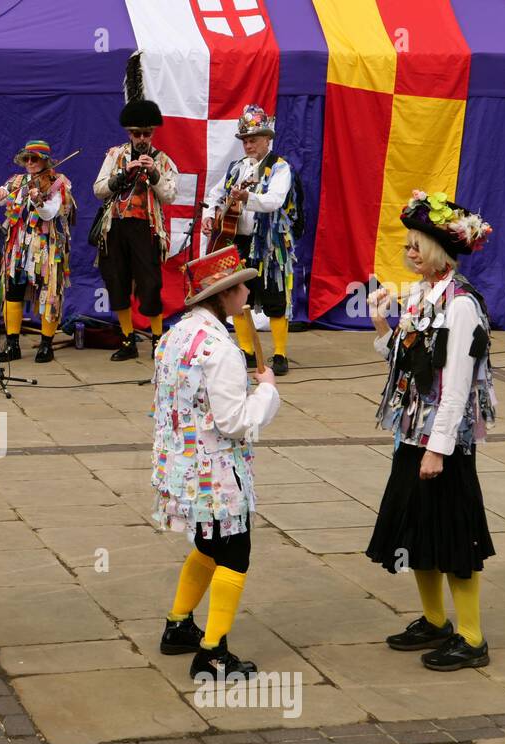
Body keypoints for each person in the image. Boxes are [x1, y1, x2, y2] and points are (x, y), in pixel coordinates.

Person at [365, 190, 496, 671]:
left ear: (441, 249)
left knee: (455, 539)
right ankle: (435, 620)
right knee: (415, 531)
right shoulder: (422, 295)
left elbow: (458, 387)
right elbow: (406, 365)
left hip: (444, 442)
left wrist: (437, 450)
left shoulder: (461, 306)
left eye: (418, 243)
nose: (410, 251)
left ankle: (472, 636)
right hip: (412, 434)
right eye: (408, 244)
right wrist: (382, 324)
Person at [153, 246, 280, 681]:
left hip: (182, 466)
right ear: (223, 295)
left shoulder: (174, 335)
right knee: (234, 553)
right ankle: (212, 653)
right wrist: (265, 391)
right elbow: (233, 422)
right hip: (217, 472)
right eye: (240, 285)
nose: (246, 290)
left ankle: (178, 624)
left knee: (207, 545)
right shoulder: (222, 350)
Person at [93, 54, 178, 361]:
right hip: (115, 227)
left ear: (153, 133)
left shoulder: (164, 160)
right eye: (136, 133)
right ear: (128, 133)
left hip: (145, 228)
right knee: (115, 280)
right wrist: (122, 174)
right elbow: (98, 188)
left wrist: (153, 173)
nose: (142, 139)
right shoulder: (115, 154)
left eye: (147, 134)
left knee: (151, 284)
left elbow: (169, 195)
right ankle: (127, 340)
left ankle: (157, 340)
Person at [203, 105, 296, 375]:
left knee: (276, 297)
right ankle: (246, 350)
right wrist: (210, 214)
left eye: (253, 139)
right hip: (239, 242)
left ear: (268, 139)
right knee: (239, 297)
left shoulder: (280, 168)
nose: (248, 145)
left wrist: (249, 198)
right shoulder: (237, 168)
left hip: (269, 243)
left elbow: (275, 200)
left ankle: (279, 354)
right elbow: (214, 193)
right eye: (245, 140)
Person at [0, 140, 76, 364]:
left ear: (45, 160)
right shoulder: (17, 182)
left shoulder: (58, 184)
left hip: (47, 248)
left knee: (50, 295)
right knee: (13, 292)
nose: (29, 163)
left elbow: (49, 214)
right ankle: (12, 344)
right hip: (19, 247)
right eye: (26, 158)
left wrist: (38, 201)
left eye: (34, 158)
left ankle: (46, 345)